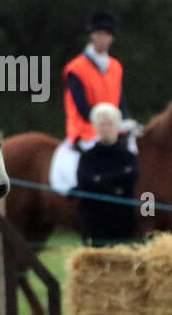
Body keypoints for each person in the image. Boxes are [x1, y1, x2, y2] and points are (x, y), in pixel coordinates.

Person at [50, 11, 139, 194]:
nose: (102, 38)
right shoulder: (76, 69)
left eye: (106, 34)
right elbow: (83, 108)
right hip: (86, 128)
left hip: (113, 126)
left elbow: (120, 100)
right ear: (92, 35)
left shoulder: (116, 67)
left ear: (112, 38)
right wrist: (109, 124)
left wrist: (127, 121)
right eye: (98, 33)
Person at [76, 103, 140, 246]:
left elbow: (133, 177)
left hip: (124, 224)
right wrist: (116, 187)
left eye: (110, 124)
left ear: (117, 126)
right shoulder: (88, 157)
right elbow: (84, 181)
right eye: (102, 125)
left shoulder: (128, 156)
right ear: (96, 127)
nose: (106, 129)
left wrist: (100, 181)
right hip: (96, 223)